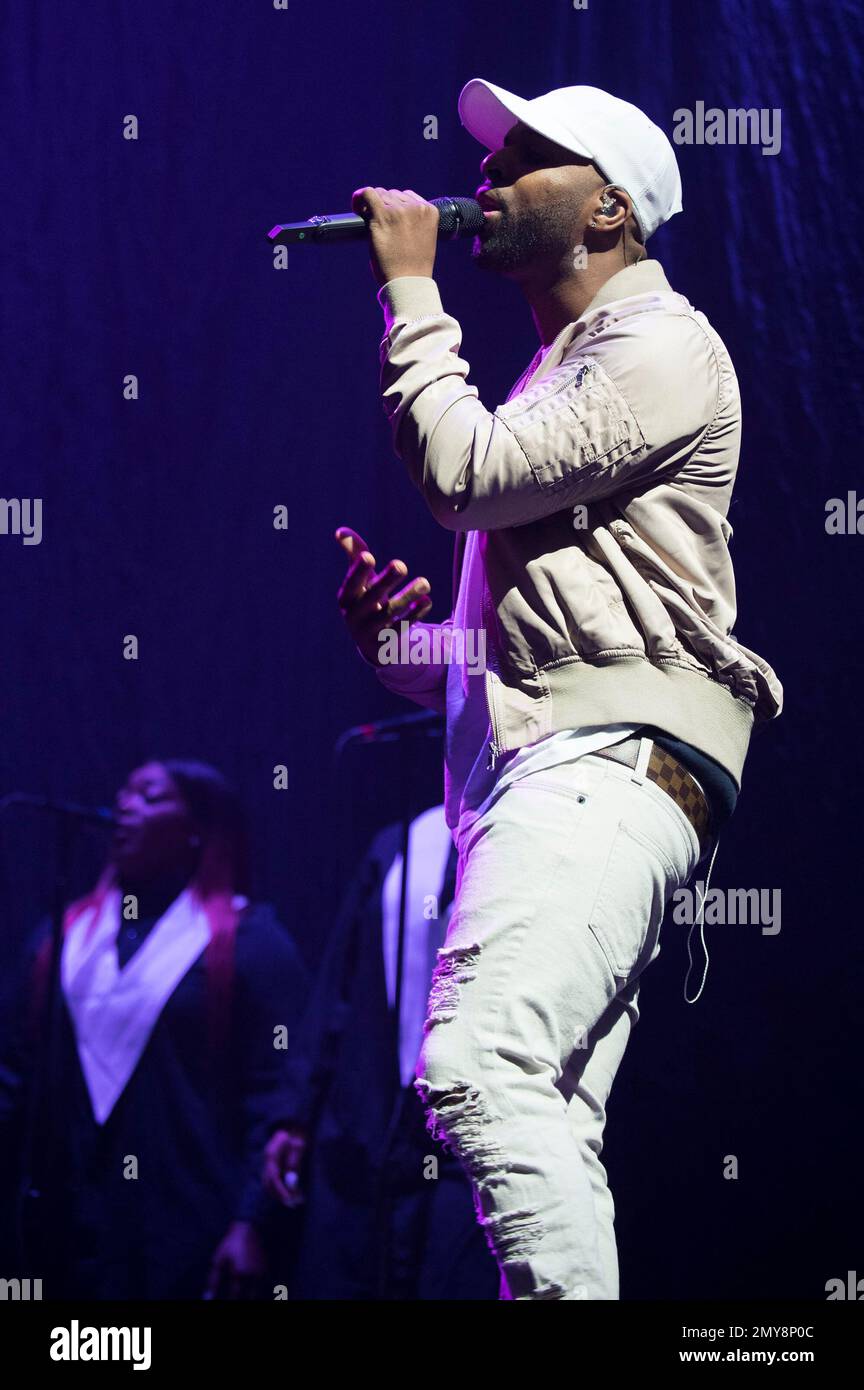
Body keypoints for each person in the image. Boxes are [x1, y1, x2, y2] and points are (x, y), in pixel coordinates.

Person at [333, 81, 784, 1300]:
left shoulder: (661, 345)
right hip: (560, 765)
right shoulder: (559, 375)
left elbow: (461, 472)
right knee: (547, 1119)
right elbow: (523, 668)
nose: (481, 182)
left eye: (520, 161)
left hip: (605, 775)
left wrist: (409, 292)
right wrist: (404, 648)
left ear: (604, 207)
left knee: (476, 1066)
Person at [0, 759, 308, 1299]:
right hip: (67, 1218)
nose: (125, 805)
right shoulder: (64, 938)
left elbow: (277, 1096)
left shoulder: (251, 943)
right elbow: (13, 1072)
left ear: (198, 827)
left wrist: (251, 1222)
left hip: (187, 1219)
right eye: (122, 793)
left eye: (149, 796)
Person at [263, 802, 499, 1299]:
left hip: (481, 1118)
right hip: (373, 1111)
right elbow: (339, 984)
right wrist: (296, 1114)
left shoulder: (541, 819)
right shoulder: (402, 841)